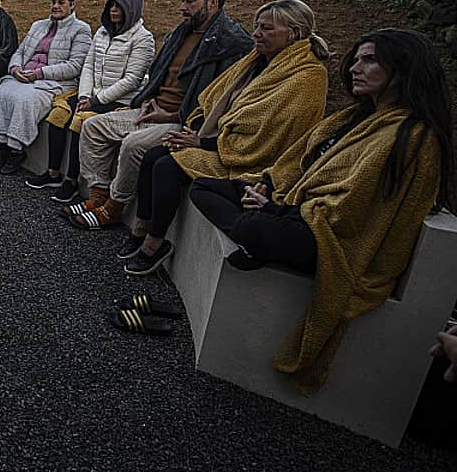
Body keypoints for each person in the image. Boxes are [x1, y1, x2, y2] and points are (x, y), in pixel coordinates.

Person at [189, 28, 453, 393]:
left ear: (404, 70)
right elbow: (297, 165)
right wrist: (266, 187)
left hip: (327, 238)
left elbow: (355, 214)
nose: (355, 68)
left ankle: (254, 232)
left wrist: (274, 213)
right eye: (356, 59)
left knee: (255, 228)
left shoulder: (414, 137)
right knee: (202, 185)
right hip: (290, 206)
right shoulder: (352, 118)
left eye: (370, 60)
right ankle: (253, 229)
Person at [121, 0, 329, 275]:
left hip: (252, 158)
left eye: (266, 29)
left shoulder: (307, 76)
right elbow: (215, 99)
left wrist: (202, 143)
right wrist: (195, 131)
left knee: (167, 166)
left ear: (294, 33)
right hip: (220, 141)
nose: (256, 33)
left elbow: (268, 134)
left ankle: (154, 243)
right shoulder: (256, 62)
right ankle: (140, 227)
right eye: (257, 26)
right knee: (153, 155)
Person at [66, 0, 252, 229]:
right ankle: (98, 195)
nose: (182, 7)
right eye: (182, 1)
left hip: (181, 121)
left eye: (190, 1)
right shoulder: (180, 32)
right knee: (93, 127)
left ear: (213, 3)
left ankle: (114, 207)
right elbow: (157, 75)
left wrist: (169, 115)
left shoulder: (230, 44)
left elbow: (218, 101)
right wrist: (149, 100)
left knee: (133, 145)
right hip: (152, 110)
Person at [26, 0, 154, 198]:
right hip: (92, 94)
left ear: (130, 8)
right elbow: (88, 66)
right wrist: (85, 94)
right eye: (111, 5)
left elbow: (132, 79)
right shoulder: (103, 33)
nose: (113, 10)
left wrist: (95, 101)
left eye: (119, 6)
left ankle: (72, 180)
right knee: (58, 114)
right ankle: (53, 172)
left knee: (80, 120)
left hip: (120, 100)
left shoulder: (143, 39)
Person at [0, 0, 91, 174]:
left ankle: (17, 150)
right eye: (53, 2)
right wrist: (15, 69)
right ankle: (3, 146)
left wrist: (39, 74)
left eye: (61, 3)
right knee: (1, 94)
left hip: (53, 82)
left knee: (24, 100)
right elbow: (20, 52)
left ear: (72, 5)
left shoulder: (81, 30)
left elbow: (74, 66)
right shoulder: (38, 25)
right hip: (24, 77)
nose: (55, 6)